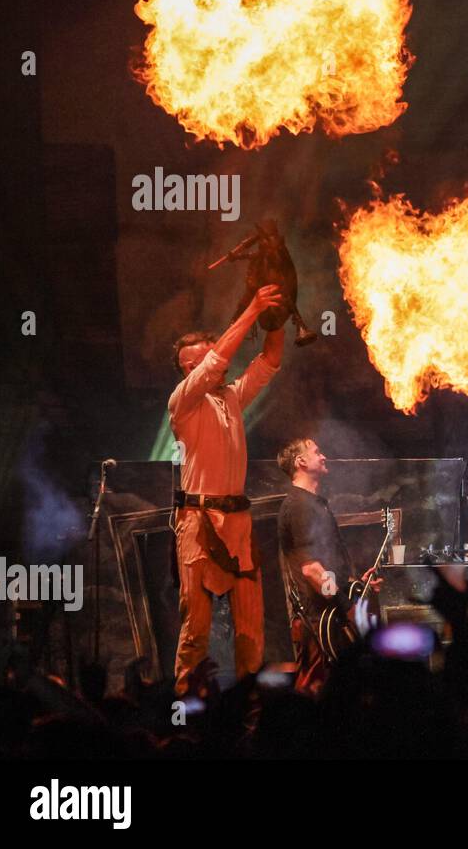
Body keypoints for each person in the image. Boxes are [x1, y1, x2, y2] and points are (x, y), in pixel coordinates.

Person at [169, 284, 284, 695]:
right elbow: (219, 359)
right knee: (196, 627)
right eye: (194, 364)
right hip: (199, 522)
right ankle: (187, 707)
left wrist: (277, 316)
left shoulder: (230, 399)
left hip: (237, 521)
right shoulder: (183, 401)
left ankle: (249, 713)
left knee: (251, 629)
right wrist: (253, 307)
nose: (203, 367)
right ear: (186, 371)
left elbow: (270, 360)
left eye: (204, 357)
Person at [276, 437, 378, 694]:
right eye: (317, 452)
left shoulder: (314, 504)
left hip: (330, 617)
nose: (324, 457)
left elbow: (326, 564)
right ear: (300, 462)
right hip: (318, 621)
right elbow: (311, 570)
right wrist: (347, 605)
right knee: (317, 693)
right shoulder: (299, 506)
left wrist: (356, 585)